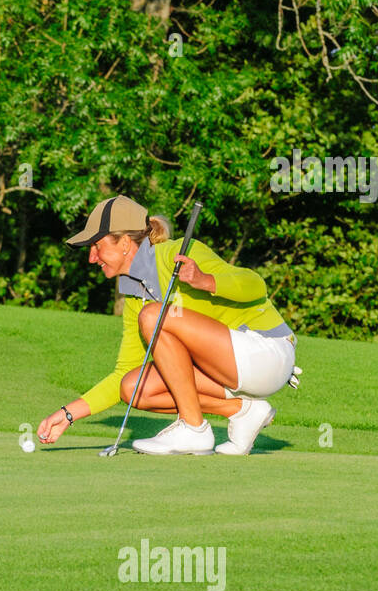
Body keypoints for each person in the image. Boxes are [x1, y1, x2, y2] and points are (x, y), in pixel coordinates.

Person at [36, 195, 298, 455]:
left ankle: (194, 430)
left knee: (153, 316)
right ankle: (243, 410)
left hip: (268, 353)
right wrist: (68, 414)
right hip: (225, 374)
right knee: (133, 387)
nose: (92, 258)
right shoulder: (133, 297)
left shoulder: (179, 253)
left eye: (97, 246)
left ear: (125, 243)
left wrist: (205, 280)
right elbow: (123, 374)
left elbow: (256, 285)